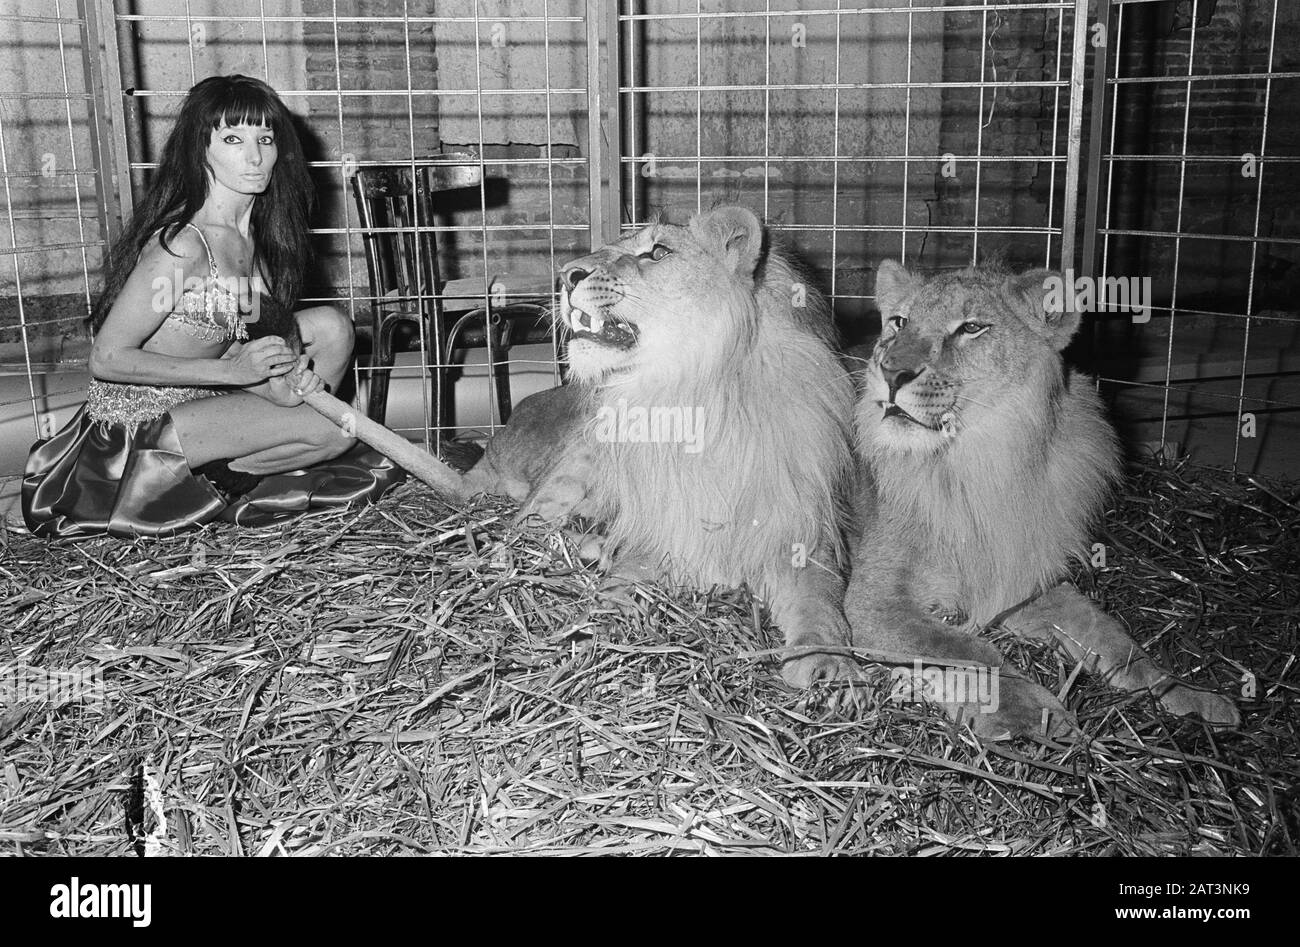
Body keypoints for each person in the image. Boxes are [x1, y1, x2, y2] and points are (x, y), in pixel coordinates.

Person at [23, 75, 399, 538]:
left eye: (265, 138)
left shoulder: (252, 235)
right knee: (337, 430)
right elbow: (106, 358)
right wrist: (235, 375)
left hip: (204, 392)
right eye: (233, 139)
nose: (255, 155)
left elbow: (250, 344)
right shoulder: (184, 245)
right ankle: (212, 480)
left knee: (333, 327)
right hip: (137, 422)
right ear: (201, 149)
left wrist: (286, 378)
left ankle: (223, 464)